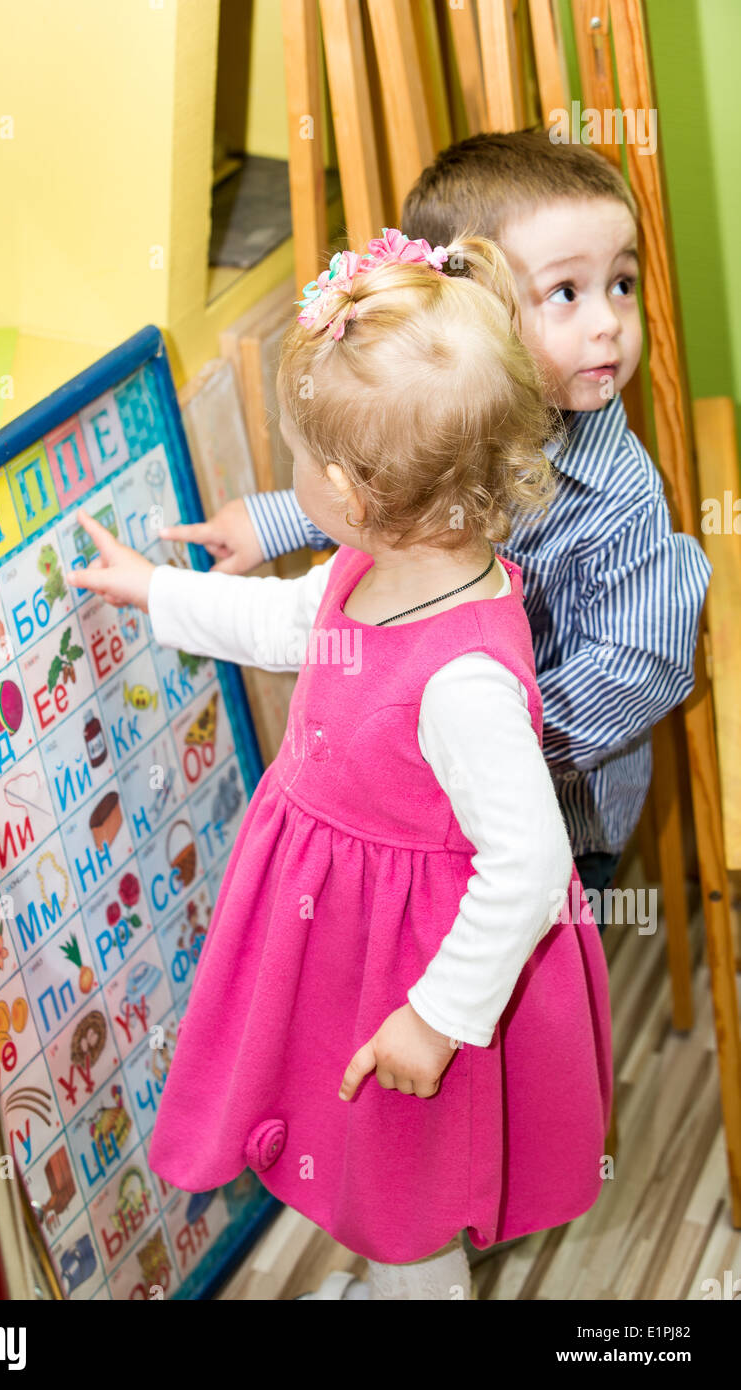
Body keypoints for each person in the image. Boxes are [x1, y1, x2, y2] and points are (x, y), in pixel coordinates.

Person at [67, 228, 613, 1301]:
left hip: (413, 963)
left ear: (358, 494)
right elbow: (286, 620)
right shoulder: (376, 562)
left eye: (297, 458)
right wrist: (157, 593)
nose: (287, 473)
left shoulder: (459, 682)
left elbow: (530, 861)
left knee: (406, 1188)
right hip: (340, 934)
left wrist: (436, 1013)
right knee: (358, 1150)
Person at [159, 129, 712, 938]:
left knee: (519, 993)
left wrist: (474, 745)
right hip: (432, 804)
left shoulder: (621, 500)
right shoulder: (458, 417)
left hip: (553, 820)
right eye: (568, 293)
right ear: (474, 310)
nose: (610, 325)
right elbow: (395, 491)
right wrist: (274, 520)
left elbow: (645, 668)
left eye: (621, 284)